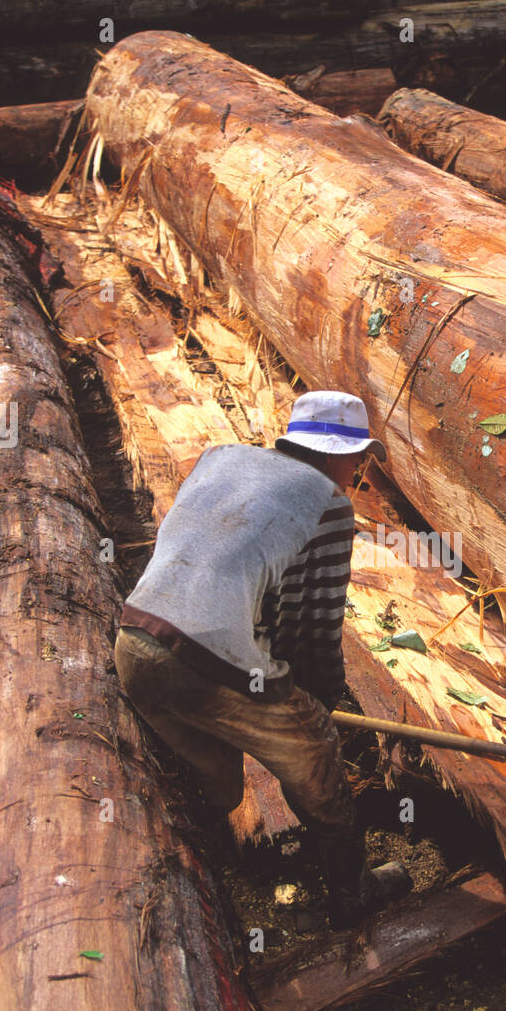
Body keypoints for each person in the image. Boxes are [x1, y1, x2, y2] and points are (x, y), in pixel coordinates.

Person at [114, 390, 411, 928]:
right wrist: (317, 700)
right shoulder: (328, 502)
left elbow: (224, 566)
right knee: (314, 746)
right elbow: (313, 625)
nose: (359, 471)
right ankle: (353, 890)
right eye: (359, 458)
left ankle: (219, 886)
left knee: (212, 776)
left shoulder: (220, 458)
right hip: (203, 657)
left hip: (134, 640)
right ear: (334, 454)